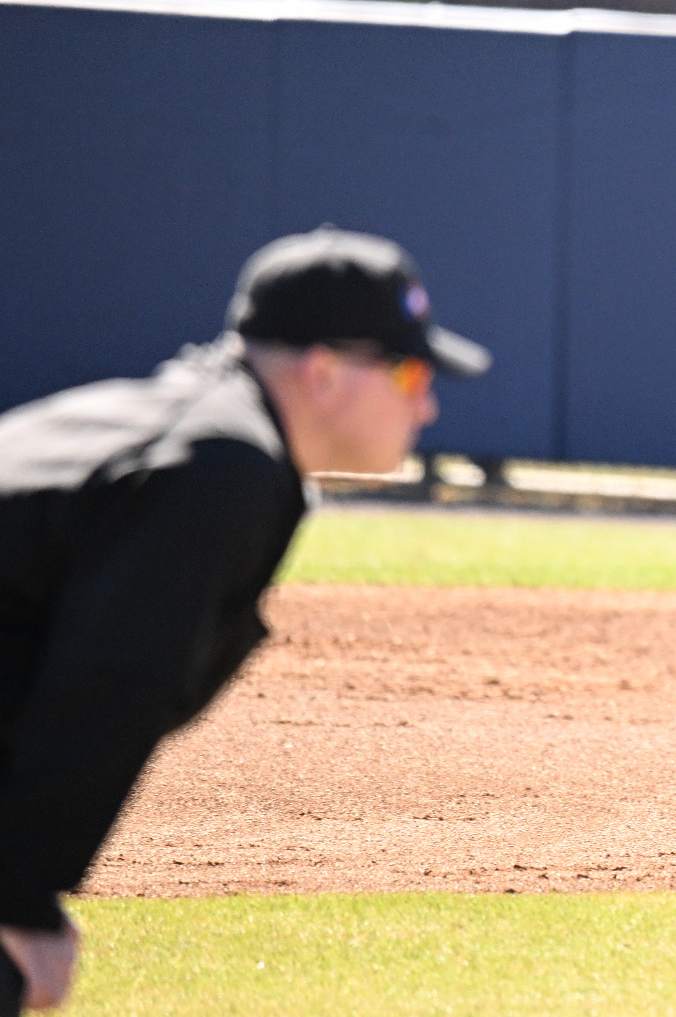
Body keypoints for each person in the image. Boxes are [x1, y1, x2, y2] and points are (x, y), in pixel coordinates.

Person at [0, 228, 489, 1011]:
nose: (427, 402)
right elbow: (112, 682)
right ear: (324, 371)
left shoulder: (196, 429)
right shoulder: (222, 466)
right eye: (409, 371)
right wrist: (17, 901)